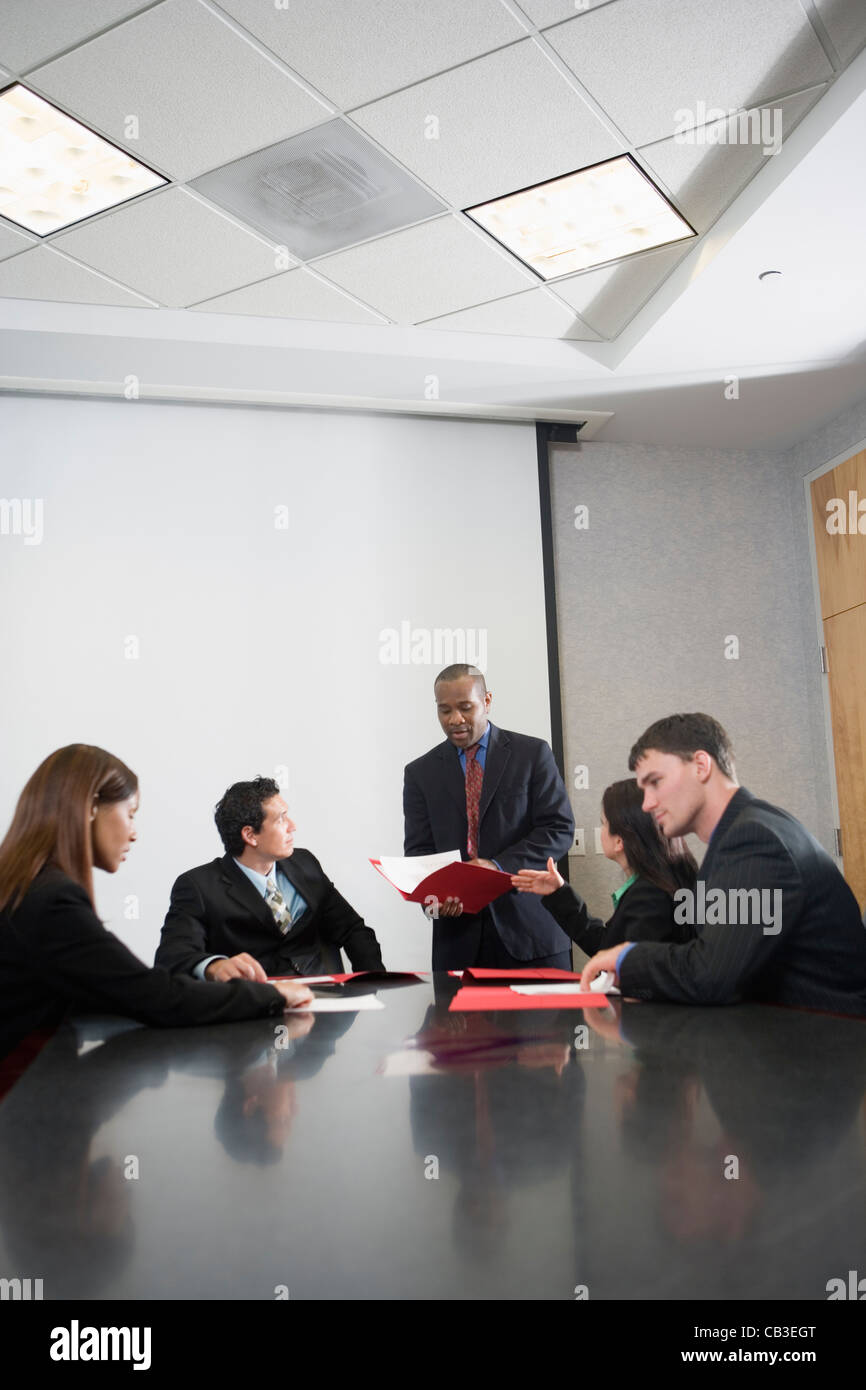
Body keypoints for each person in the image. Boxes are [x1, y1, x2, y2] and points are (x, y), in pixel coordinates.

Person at [0, 746, 312, 1062]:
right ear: (90, 808)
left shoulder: (24, 887)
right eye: (130, 813)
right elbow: (155, 996)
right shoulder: (55, 901)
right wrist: (270, 995)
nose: (133, 833)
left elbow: (111, 992)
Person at [579, 713, 866, 1014]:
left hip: (833, 1040)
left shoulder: (754, 839)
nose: (647, 803)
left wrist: (628, 958)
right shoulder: (749, 830)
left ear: (701, 766)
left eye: (655, 782)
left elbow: (711, 974)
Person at [403, 664, 575, 970]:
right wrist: (436, 897)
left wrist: (496, 868)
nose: (455, 719)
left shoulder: (532, 754)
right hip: (457, 946)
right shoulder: (420, 773)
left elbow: (558, 829)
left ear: (488, 701)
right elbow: (419, 853)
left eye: (465, 708)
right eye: (444, 711)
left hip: (532, 937)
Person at [155, 777, 383, 980]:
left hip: (324, 1006)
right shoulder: (198, 887)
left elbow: (352, 929)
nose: (293, 827)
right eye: (281, 819)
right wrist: (214, 966)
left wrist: (374, 985)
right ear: (250, 835)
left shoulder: (305, 864)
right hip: (252, 1010)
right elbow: (172, 955)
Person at [511, 777, 697, 953]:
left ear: (619, 841)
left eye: (604, 824)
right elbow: (609, 947)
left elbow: (618, 962)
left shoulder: (648, 896)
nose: (601, 831)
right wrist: (559, 892)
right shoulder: (669, 879)